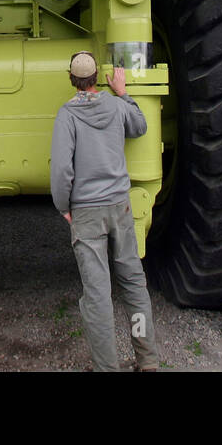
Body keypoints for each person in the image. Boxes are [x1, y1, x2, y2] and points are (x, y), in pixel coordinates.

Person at [50, 51, 160, 372]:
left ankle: (106, 367)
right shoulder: (115, 105)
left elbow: (61, 170)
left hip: (86, 211)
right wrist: (123, 92)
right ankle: (147, 359)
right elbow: (140, 127)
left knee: (97, 295)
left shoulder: (67, 116)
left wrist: (64, 206)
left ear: (70, 78)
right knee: (133, 284)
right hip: (120, 206)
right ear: (97, 76)